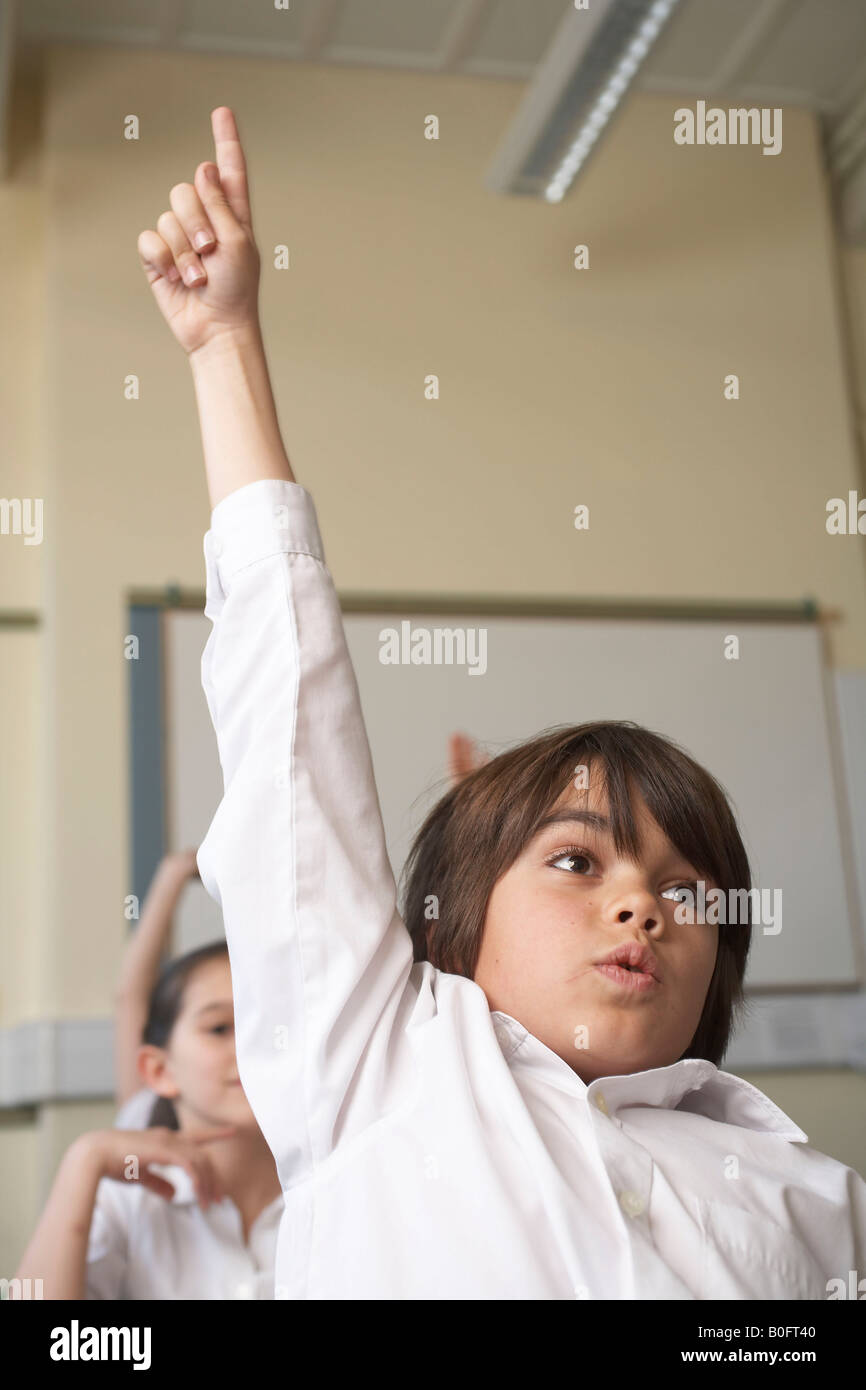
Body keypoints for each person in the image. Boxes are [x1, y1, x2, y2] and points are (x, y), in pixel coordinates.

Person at [132, 105, 866, 1299]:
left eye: (685, 890)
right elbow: (289, 730)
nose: (642, 906)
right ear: (452, 918)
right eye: (578, 862)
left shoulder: (813, 1198)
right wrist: (224, 346)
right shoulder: (376, 1059)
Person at [14, 942, 283, 1298]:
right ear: (158, 1070)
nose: (250, 1045)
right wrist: (85, 1157)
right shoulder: (127, 1199)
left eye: (263, 1023)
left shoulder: (338, 1183)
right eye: (219, 1028)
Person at [114, 848, 201, 1127]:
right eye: (218, 1028)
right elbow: (130, 997)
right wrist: (175, 872)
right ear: (161, 1066)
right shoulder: (145, 1116)